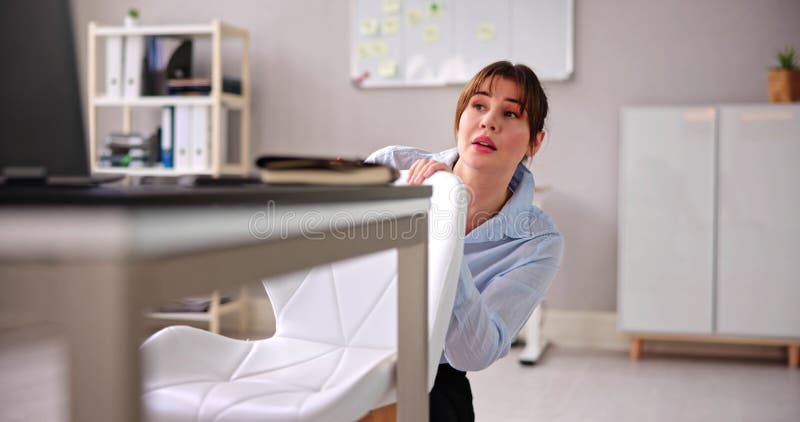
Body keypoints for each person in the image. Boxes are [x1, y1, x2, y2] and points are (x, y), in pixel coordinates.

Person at [365, 61, 564, 421]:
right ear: (460, 119)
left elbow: (473, 354)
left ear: (535, 141)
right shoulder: (391, 167)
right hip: (349, 352)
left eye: (510, 113)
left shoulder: (538, 240)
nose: (489, 121)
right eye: (479, 105)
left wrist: (443, 220)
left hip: (432, 376)